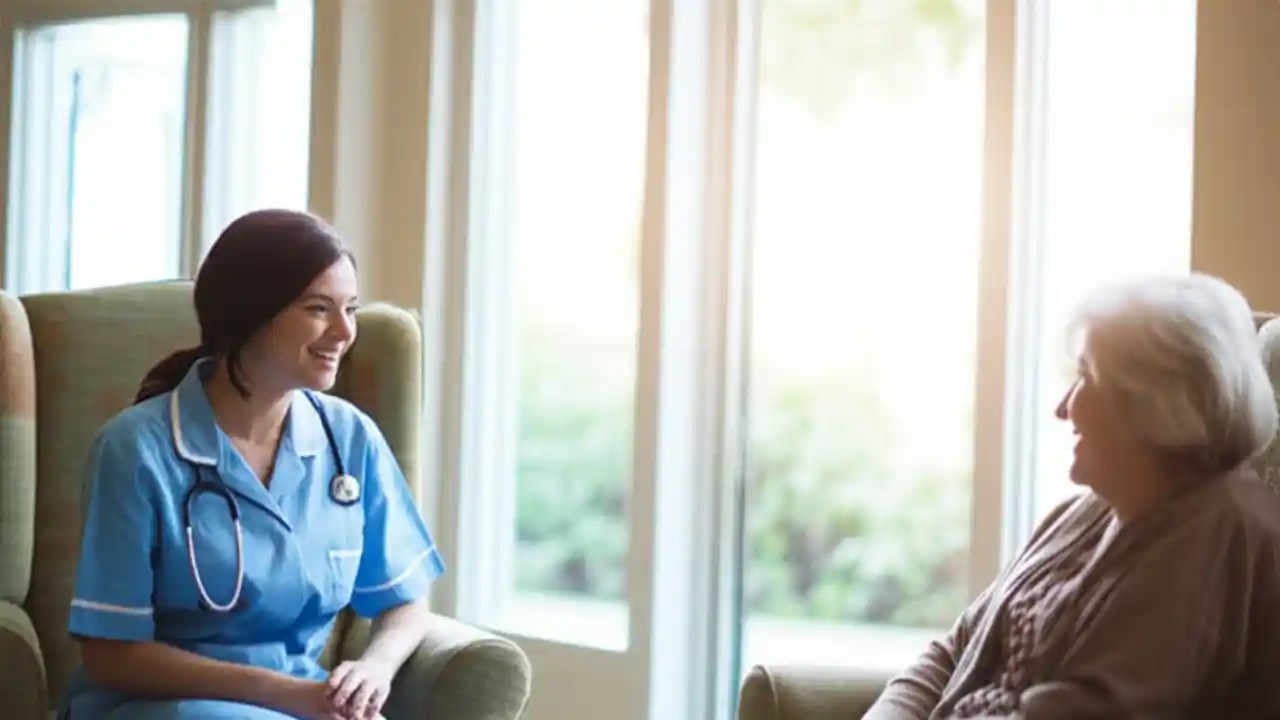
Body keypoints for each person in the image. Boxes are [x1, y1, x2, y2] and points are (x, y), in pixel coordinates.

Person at [61, 209, 446, 720]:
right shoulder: (137, 449)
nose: (344, 331)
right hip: (157, 707)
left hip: (303, 705)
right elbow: (111, 655)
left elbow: (406, 599)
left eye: (351, 308)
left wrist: (373, 668)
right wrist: (288, 695)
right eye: (319, 309)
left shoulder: (349, 438)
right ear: (250, 313)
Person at [864, 273, 1280, 719]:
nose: (1064, 407)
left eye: (1087, 377)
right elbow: (951, 652)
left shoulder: (1213, 535)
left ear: (1158, 404)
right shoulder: (1089, 511)